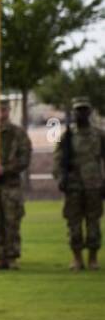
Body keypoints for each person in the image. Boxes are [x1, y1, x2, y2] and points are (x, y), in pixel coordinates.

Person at [0, 97, 32, 270]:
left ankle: (11, 257)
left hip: (10, 185)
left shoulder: (18, 133)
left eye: (4, 110)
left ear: (9, 111)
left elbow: (25, 158)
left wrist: (7, 169)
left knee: (12, 222)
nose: (1, 114)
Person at [54, 96, 105, 270]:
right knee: (73, 222)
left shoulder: (99, 134)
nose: (81, 113)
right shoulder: (67, 135)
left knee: (93, 222)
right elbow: (58, 159)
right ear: (73, 112)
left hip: (94, 185)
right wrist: (60, 177)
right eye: (78, 110)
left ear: (89, 112)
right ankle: (77, 258)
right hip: (73, 185)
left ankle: (92, 258)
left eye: (84, 110)